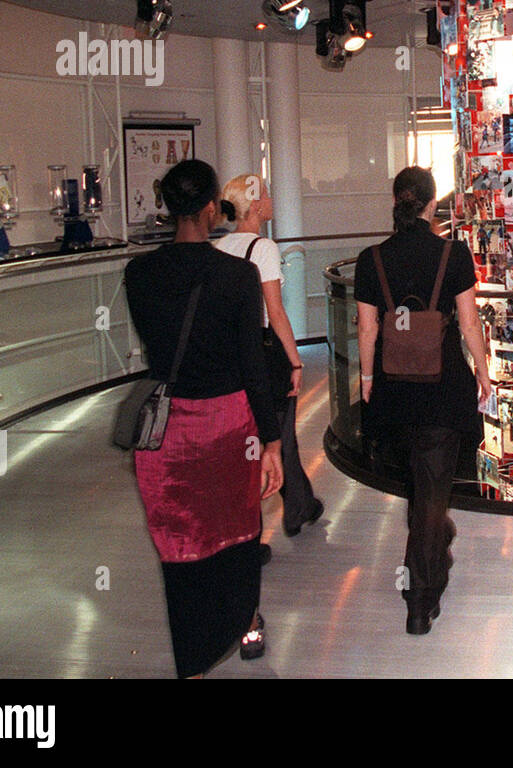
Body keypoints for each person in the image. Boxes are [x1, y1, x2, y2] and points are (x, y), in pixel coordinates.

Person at [124, 159, 283, 678]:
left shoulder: (139, 273)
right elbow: (253, 366)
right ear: (214, 207)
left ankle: (192, 659)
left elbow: (156, 348)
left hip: (166, 432)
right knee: (238, 532)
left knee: (180, 544)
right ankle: (245, 621)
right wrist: (272, 441)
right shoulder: (238, 275)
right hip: (228, 428)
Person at [355, 167, 492, 634]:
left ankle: (435, 541)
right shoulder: (453, 254)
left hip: (393, 389)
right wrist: (485, 373)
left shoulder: (370, 258)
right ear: (433, 205)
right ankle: (420, 594)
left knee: (419, 483)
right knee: (432, 488)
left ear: (395, 201)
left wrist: (367, 380)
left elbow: (367, 329)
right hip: (442, 386)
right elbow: (470, 323)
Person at [217, 174, 324, 539]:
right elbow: (275, 312)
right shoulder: (263, 248)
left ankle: (287, 510)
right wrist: (295, 360)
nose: (271, 198)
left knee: (245, 439)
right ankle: (296, 509)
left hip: (232, 355)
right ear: (255, 205)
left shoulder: (220, 248)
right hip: (264, 354)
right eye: (266, 193)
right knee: (280, 434)